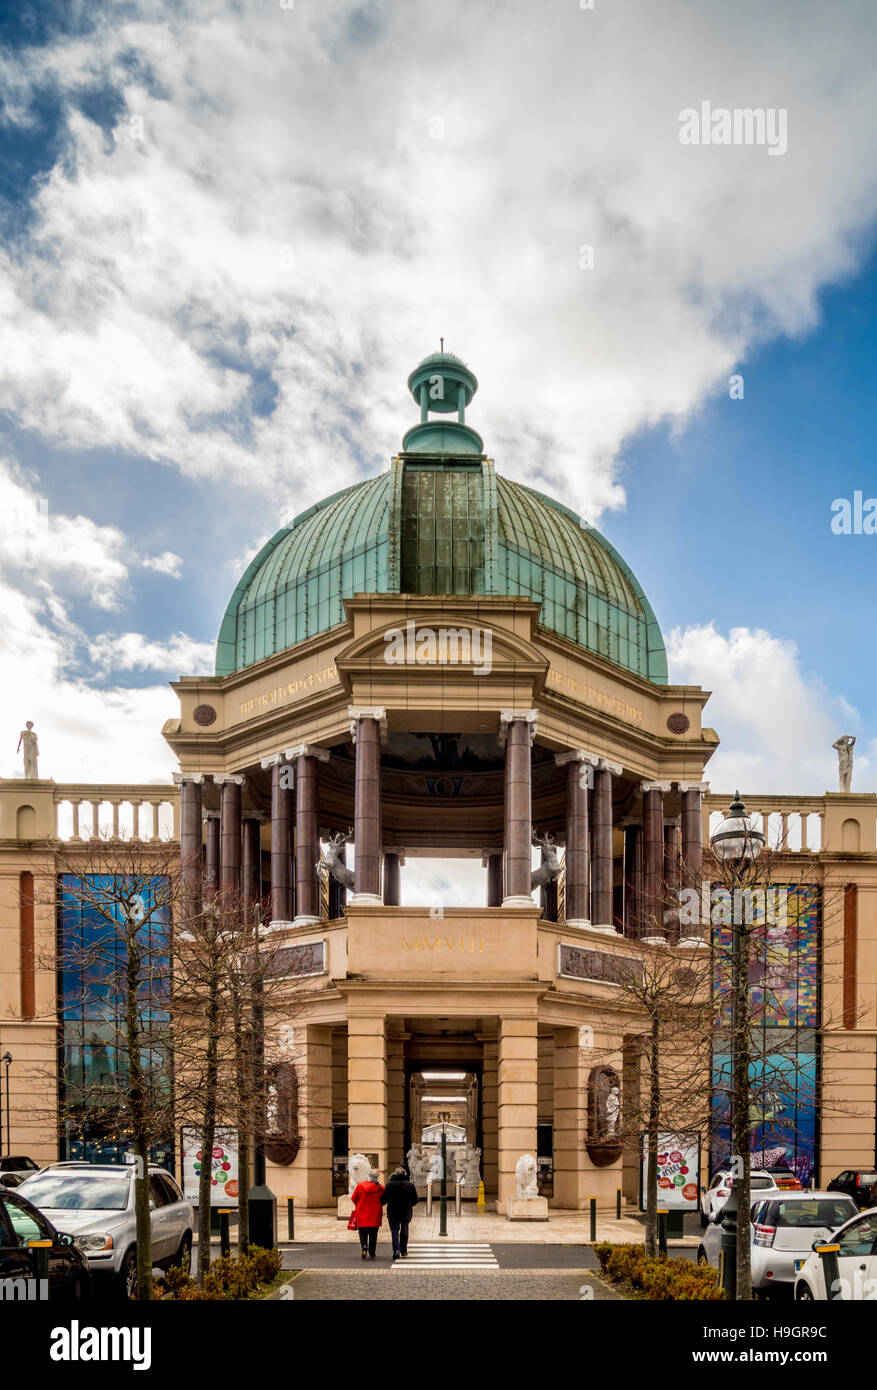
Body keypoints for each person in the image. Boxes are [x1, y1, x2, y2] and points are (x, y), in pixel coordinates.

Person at [381, 1165, 419, 1260]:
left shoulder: (389, 1185)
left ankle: (396, 1250)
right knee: (405, 1230)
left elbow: (383, 1200)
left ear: (395, 1174)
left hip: (393, 1211)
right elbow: (415, 1199)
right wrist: (410, 1205)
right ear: (404, 1174)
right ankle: (404, 1249)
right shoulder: (410, 1185)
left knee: (394, 1231)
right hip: (405, 1211)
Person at [350, 1170, 384, 1260]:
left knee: (362, 1232)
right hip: (375, 1214)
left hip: (362, 1213)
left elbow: (354, 1198)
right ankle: (372, 1251)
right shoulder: (381, 1188)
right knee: (373, 1234)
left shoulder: (360, 1186)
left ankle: (364, 1247)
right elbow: (383, 1200)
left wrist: (360, 1204)